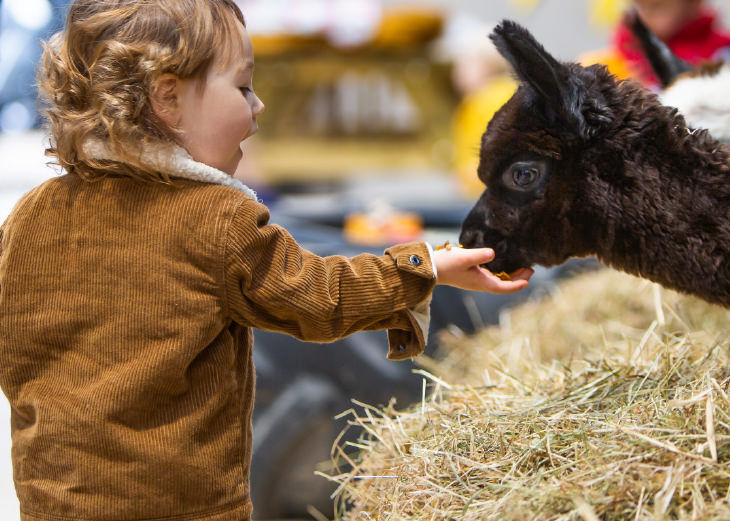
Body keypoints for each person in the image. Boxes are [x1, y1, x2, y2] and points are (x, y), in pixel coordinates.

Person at [0, 1, 534, 520]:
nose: (257, 108)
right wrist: (427, 268)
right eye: (243, 86)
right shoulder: (213, 217)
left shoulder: (31, 215)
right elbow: (320, 296)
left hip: (53, 503)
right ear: (168, 98)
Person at [579, 0, 730, 89]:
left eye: (658, 7)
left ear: (694, 4)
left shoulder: (723, 53)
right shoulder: (610, 62)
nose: (645, 16)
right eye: (640, 6)